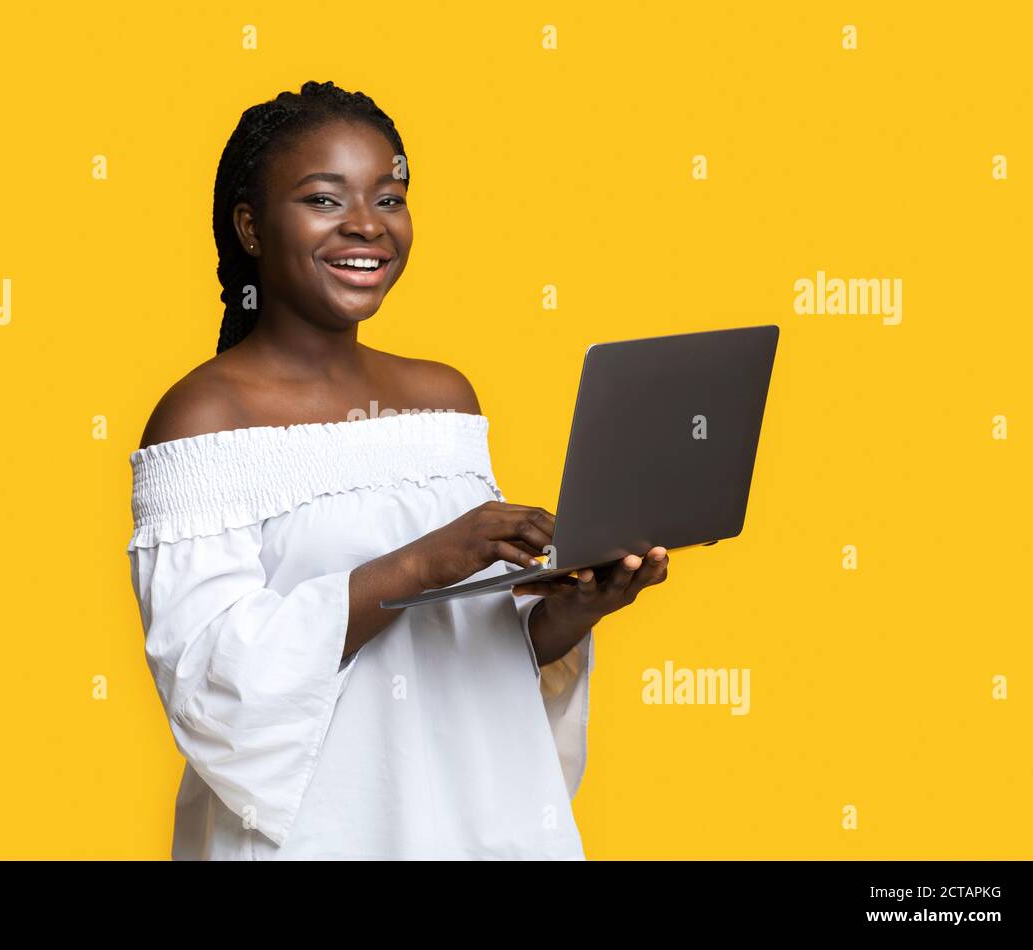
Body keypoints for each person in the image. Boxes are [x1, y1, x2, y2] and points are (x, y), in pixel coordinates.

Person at [126, 80, 669, 860]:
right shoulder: (205, 418)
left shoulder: (445, 399)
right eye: (324, 199)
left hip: (483, 826)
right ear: (249, 227)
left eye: (390, 198)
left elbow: (477, 649)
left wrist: (576, 611)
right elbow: (213, 685)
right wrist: (423, 562)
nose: (366, 225)